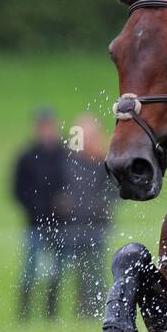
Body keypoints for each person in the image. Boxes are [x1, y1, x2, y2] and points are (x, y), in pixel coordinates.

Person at [11, 107, 71, 320]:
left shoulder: (65, 155)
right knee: (30, 270)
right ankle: (24, 312)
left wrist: (65, 204)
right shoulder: (26, 157)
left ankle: (50, 312)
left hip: (60, 224)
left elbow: (71, 184)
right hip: (34, 223)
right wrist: (35, 209)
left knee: (56, 271)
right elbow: (18, 190)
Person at [58, 113, 116, 318]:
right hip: (70, 225)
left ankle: (95, 308)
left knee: (94, 270)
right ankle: (67, 309)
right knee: (63, 271)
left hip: (96, 226)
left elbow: (113, 191)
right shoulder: (69, 162)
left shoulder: (104, 163)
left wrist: (101, 204)